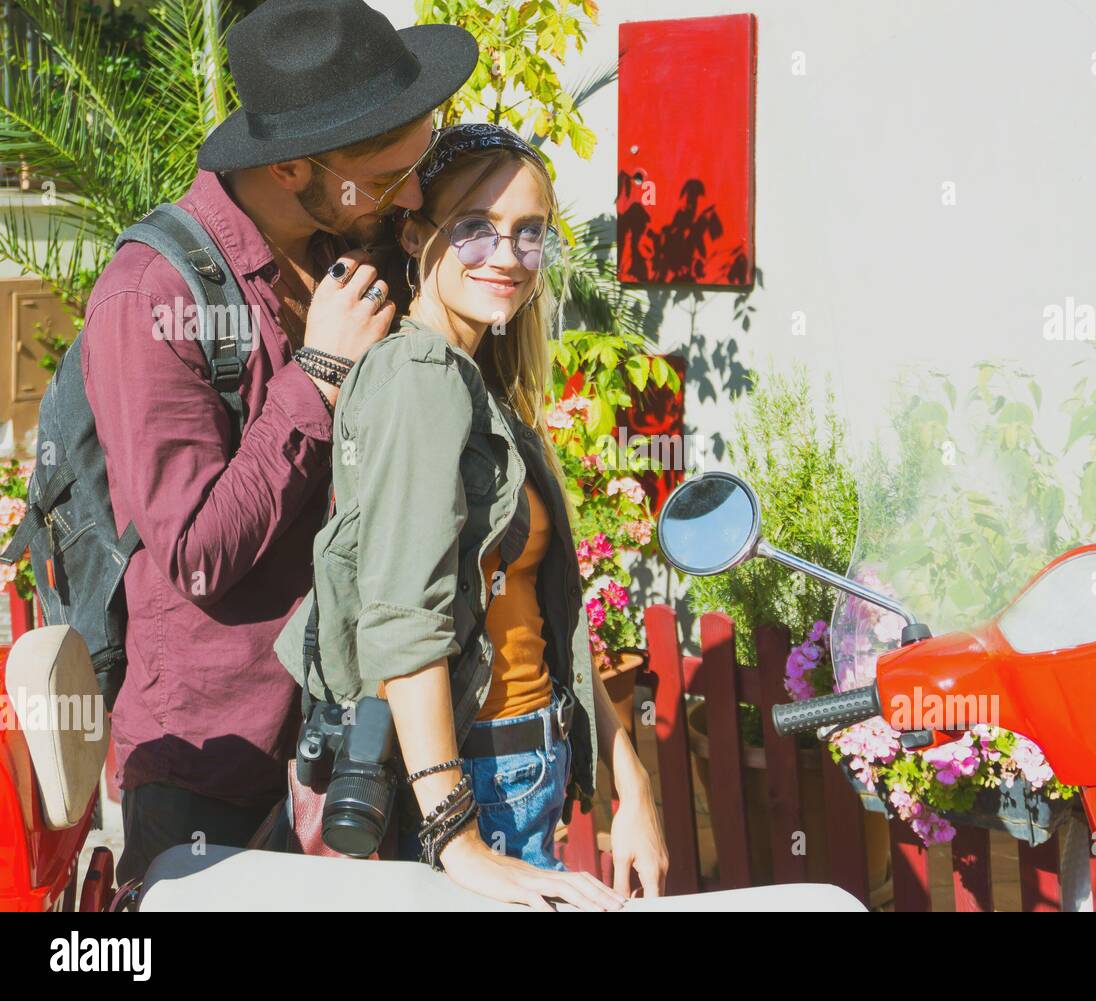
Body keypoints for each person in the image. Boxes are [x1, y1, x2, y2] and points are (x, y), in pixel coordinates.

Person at [85, 0, 478, 884]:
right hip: (218, 765)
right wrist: (321, 374)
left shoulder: (354, 245)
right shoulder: (151, 293)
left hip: (360, 742)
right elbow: (194, 552)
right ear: (294, 166)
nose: (410, 194)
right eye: (387, 176)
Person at [276, 124, 669, 911]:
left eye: (530, 232)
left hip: (525, 766)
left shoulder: (474, 379)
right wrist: (457, 838)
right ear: (418, 233)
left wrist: (632, 782)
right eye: (475, 228)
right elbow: (402, 618)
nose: (506, 254)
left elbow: (541, 617)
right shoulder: (420, 374)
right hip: (474, 782)